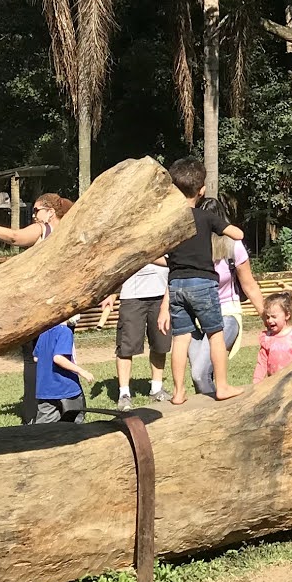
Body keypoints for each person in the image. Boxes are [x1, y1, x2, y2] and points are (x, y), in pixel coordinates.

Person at [164, 158, 244, 405]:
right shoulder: (206, 217)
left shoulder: (171, 221)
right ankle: (221, 386)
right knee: (215, 335)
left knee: (180, 339)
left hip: (176, 284)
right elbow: (237, 234)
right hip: (202, 283)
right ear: (201, 190)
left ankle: (178, 392)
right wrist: (222, 227)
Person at [188, 235, 266, 399]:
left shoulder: (233, 247)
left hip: (226, 313)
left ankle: (213, 417)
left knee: (199, 373)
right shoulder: (190, 246)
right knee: (200, 377)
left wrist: (267, 317)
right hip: (195, 317)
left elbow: (249, 284)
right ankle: (209, 417)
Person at [111, 256, 170, 403]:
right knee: (126, 346)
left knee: (160, 343)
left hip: (161, 295)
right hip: (131, 296)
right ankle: (124, 394)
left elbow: (172, 261)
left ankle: (156, 389)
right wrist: (111, 292)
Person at [24, 317, 93, 425]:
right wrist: (81, 371)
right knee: (75, 426)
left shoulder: (43, 333)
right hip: (66, 389)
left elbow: (35, 358)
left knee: (44, 430)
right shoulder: (65, 331)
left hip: (45, 390)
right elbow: (58, 358)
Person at [0, 190, 70, 248]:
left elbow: (15, 237)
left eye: (36, 210)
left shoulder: (42, 228)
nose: (33, 215)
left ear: (50, 212)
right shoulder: (67, 230)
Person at [254, 291, 292, 378]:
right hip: (273, 383)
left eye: (274, 316)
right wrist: (257, 382)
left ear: (287, 315)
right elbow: (261, 363)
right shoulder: (267, 338)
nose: (269, 321)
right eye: (267, 317)